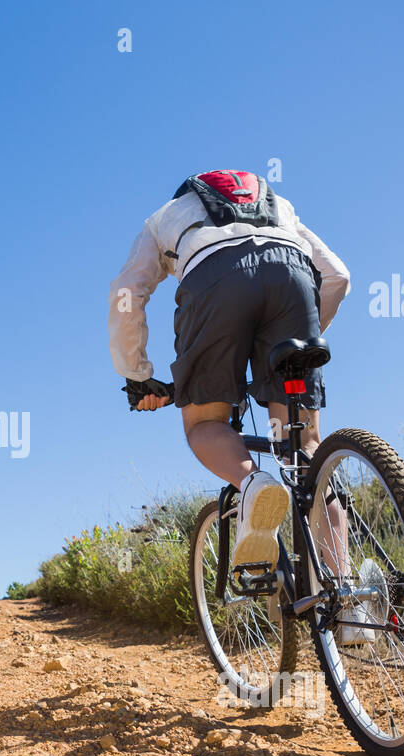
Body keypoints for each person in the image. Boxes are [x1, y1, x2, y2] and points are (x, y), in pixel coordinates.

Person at [108, 169, 350, 577]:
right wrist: (286, 352)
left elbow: (127, 294)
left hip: (214, 280)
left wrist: (137, 374)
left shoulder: (166, 215)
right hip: (291, 276)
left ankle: (253, 484)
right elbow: (338, 277)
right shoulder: (279, 207)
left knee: (205, 424)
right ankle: (348, 601)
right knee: (306, 447)